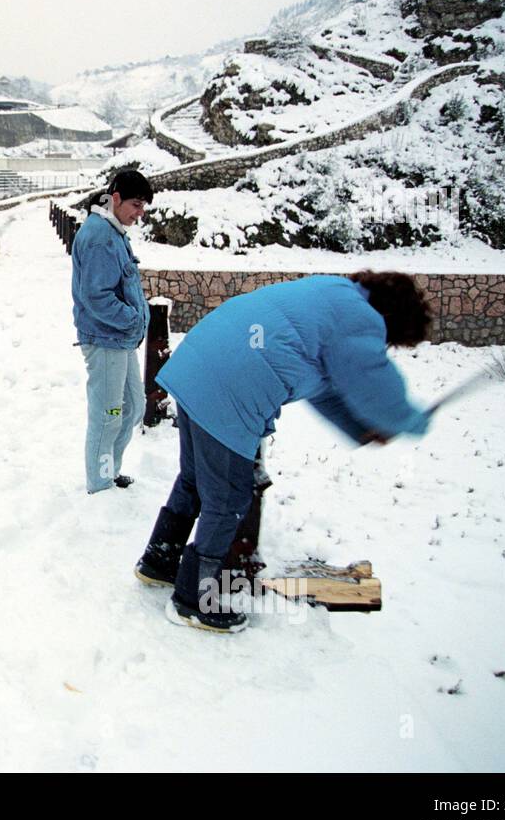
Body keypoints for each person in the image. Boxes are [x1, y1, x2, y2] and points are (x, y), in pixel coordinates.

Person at [134, 271, 434, 632]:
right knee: (229, 497)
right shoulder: (360, 318)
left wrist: (360, 430)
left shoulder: (334, 295)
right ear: (393, 319)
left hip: (199, 366)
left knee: (197, 479)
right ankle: (192, 600)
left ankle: (159, 560)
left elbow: (327, 391)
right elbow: (377, 387)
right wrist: (411, 420)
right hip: (229, 388)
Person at [71, 170, 153, 494]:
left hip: (119, 339)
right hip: (106, 340)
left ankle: (110, 470)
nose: (139, 213)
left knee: (132, 407)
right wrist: (134, 320)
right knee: (108, 416)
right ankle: (100, 484)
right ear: (115, 198)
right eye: (136, 204)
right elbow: (96, 296)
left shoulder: (113, 229)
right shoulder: (101, 237)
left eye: (143, 206)